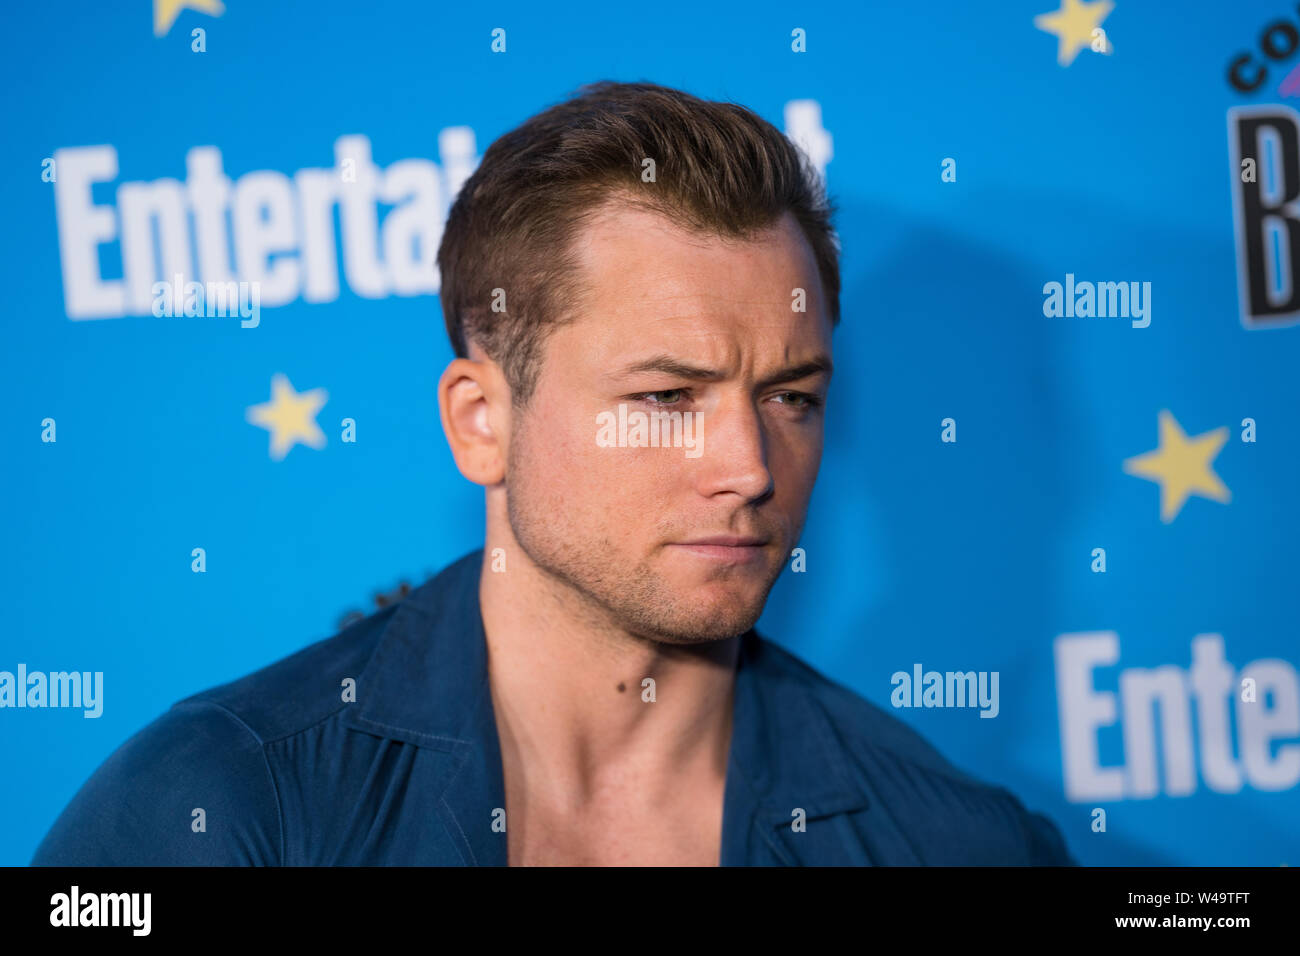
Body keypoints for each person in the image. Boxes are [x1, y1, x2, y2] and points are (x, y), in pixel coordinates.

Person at [32, 80, 1074, 866]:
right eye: (667, 398)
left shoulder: (955, 843)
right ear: (482, 421)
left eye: (790, 396)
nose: (748, 467)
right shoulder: (220, 806)